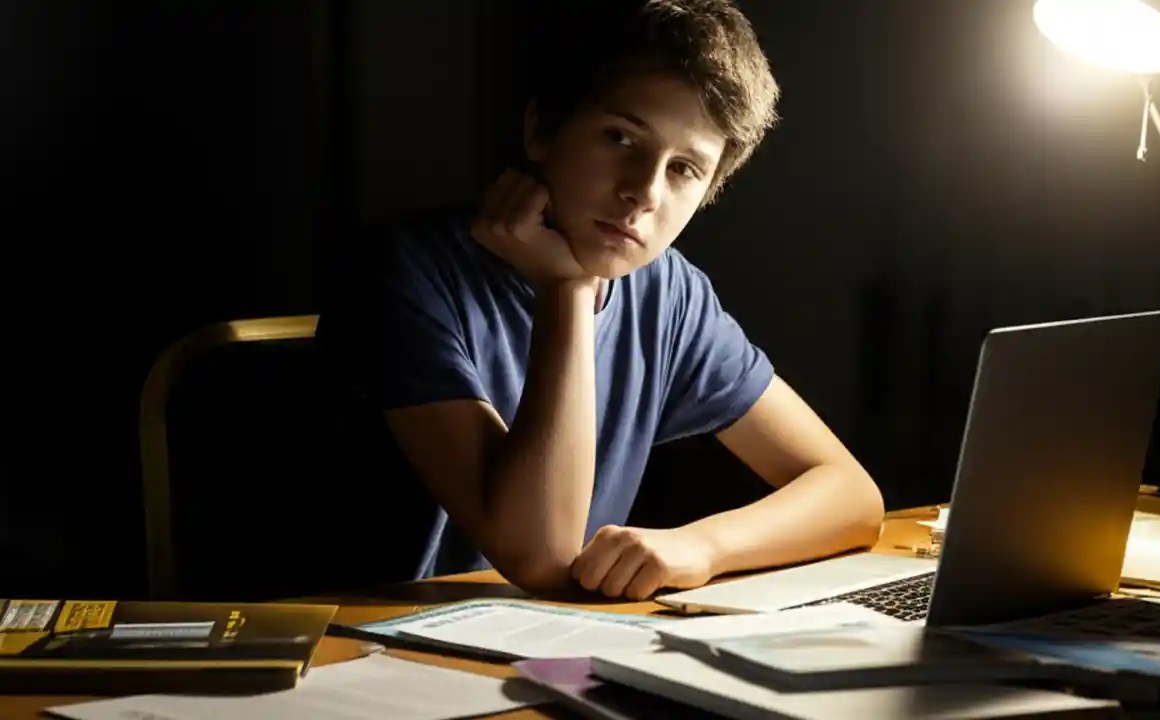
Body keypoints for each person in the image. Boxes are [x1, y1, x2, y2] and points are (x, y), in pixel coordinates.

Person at [318, 0, 884, 600]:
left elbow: (851, 494)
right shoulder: (406, 272)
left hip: (543, 637)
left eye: (684, 169)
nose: (642, 192)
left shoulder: (668, 291)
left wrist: (702, 547)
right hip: (366, 644)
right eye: (620, 138)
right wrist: (567, 288)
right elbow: (540, 554)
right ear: (541, 130)